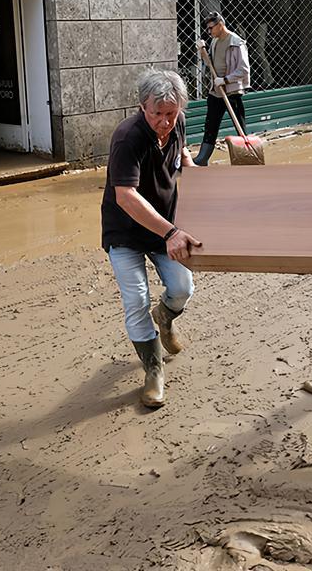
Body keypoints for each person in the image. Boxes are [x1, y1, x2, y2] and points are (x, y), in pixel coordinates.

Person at [102, 70, 203, 408]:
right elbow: (126, 196)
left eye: (170, 114)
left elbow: (182, 156)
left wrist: (202, 177)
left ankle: (166, 318)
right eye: (156, 113)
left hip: (165, 227)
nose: (164, 121)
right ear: (141, 107)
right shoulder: (127, 138)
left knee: (182, 288)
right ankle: (154, 370)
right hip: (126, 232)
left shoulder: (179, 122)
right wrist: (171, 232)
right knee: (136, 298)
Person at [193, 12, 251, 166]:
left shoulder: (236, 42)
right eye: (208, 29)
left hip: (231, 92)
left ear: (220, 25)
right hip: (216, 91)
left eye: (211, 28)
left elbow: (244, 70)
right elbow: (210, 63)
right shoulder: (214, 41)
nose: (209, 32)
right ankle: (202, 158)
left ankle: (247, 156)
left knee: (239, 125)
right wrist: (203, 52)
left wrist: (225, 80)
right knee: (210, 124)